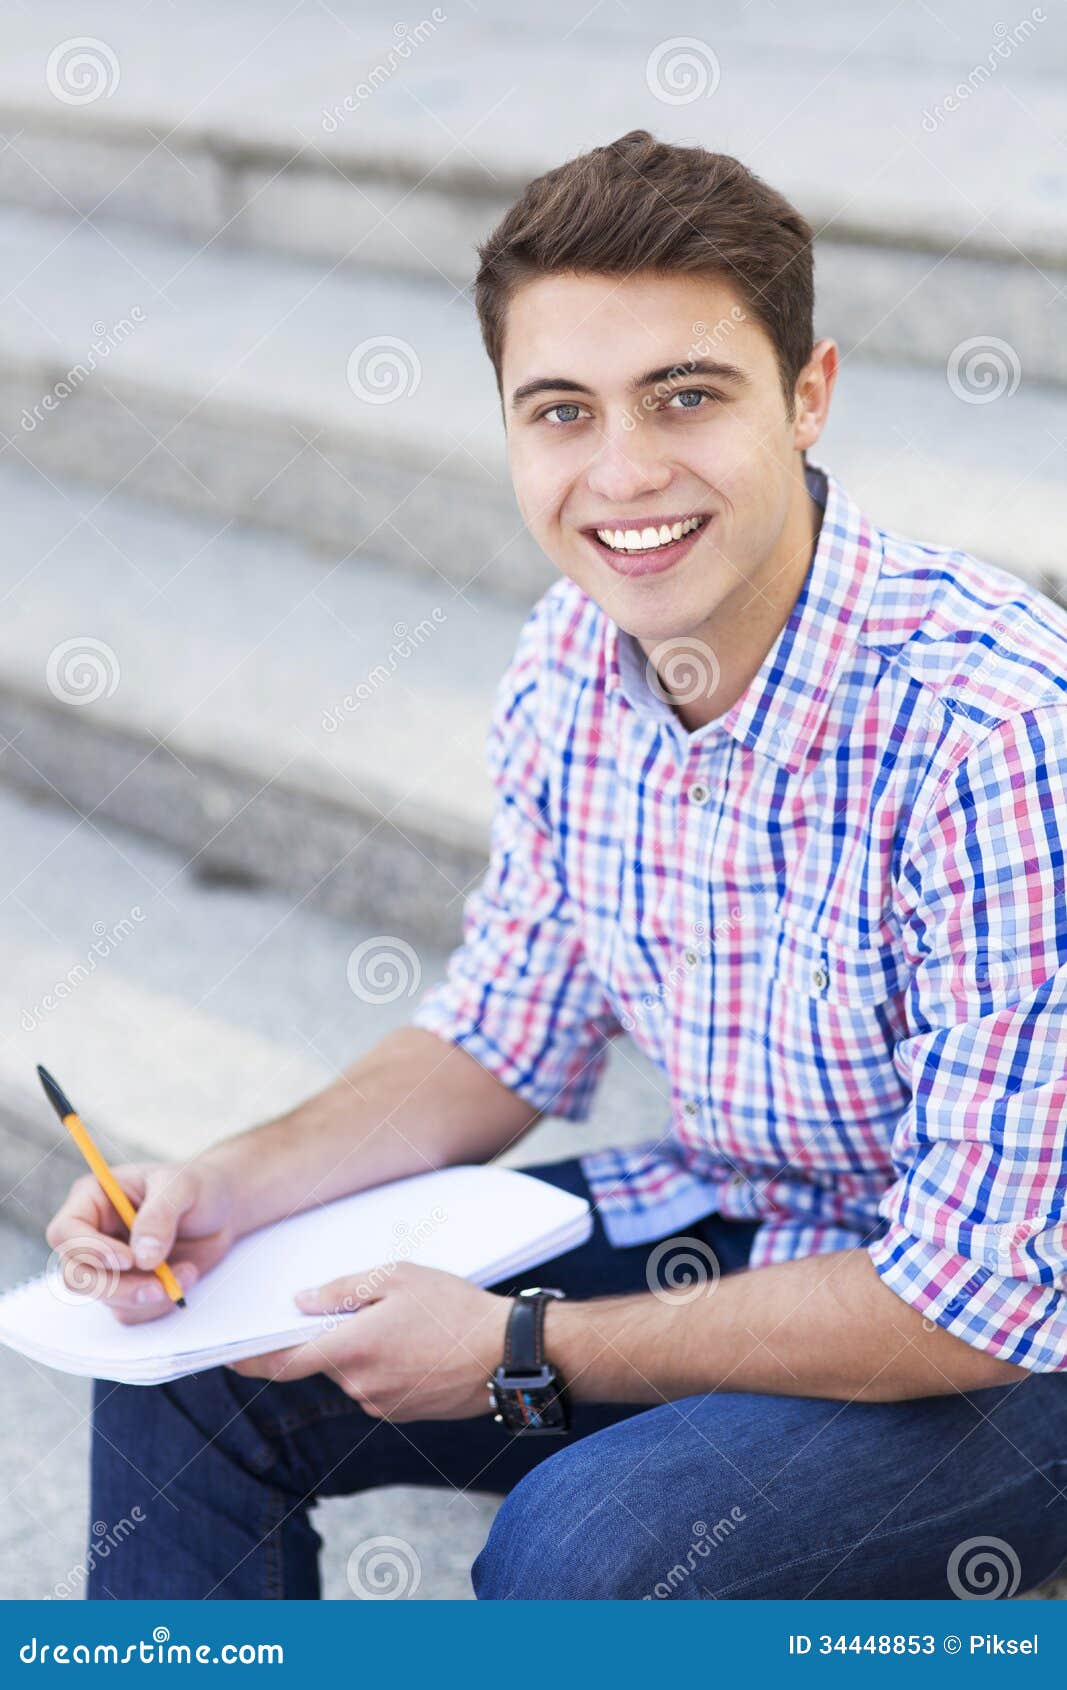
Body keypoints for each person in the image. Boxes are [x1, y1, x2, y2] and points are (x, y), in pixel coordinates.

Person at [48, 130, 1067, 1600]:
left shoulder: (998, 734)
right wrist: (225, 1186)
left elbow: (972, 1299)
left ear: (809, 395)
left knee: (585, 1552)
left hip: (1008, 1341)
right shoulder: (574, 659)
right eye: (563, 412)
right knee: (187, 1363)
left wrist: (523, 1349)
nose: (623, 472)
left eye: (686, 396)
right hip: (742, 1224)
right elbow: (502, 1028)